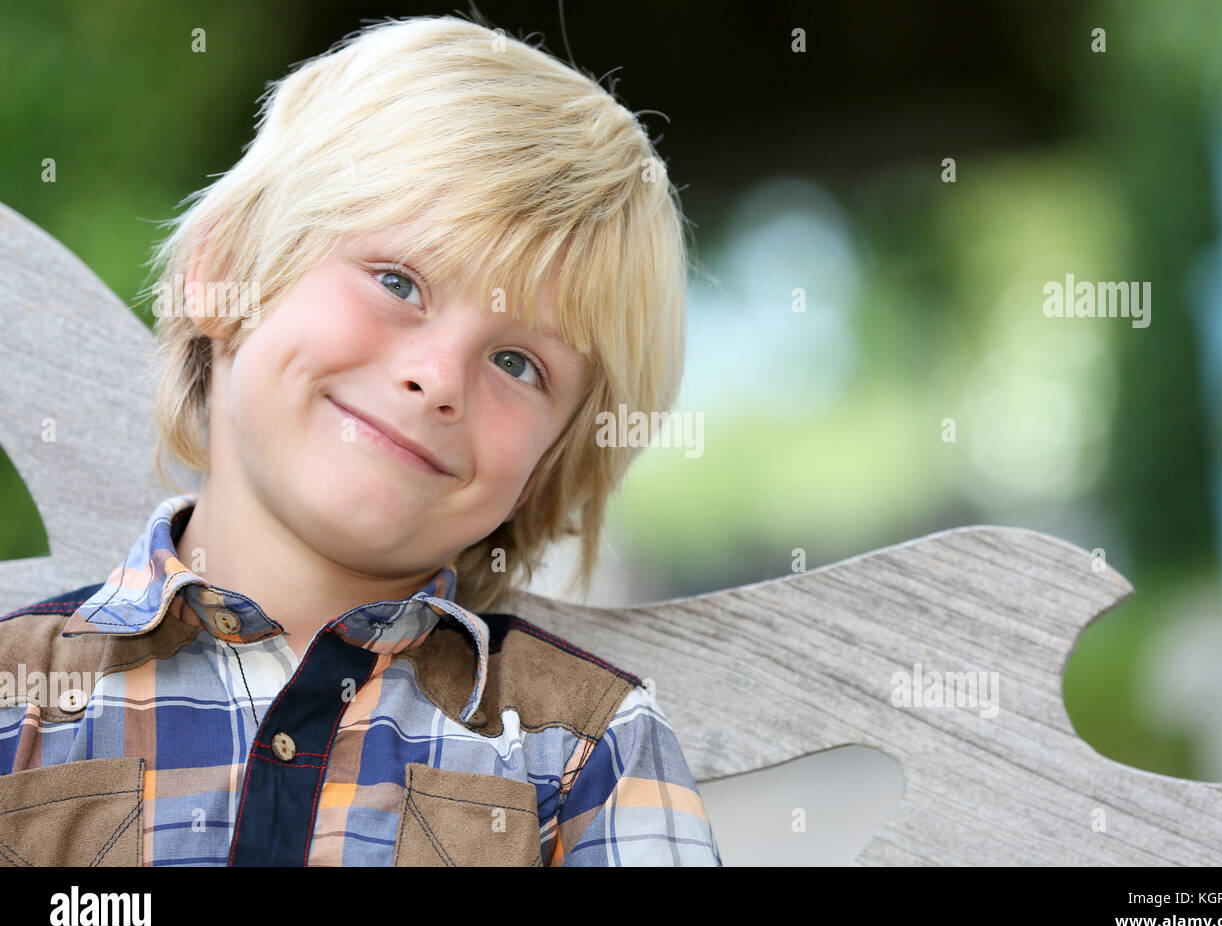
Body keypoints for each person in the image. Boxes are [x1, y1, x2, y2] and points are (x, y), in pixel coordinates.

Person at [0, 13, 722, 867]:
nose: (440, 378)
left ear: (544, 469)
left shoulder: (585, 754)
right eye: (397, 281)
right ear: (223, 272)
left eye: (519, 363)